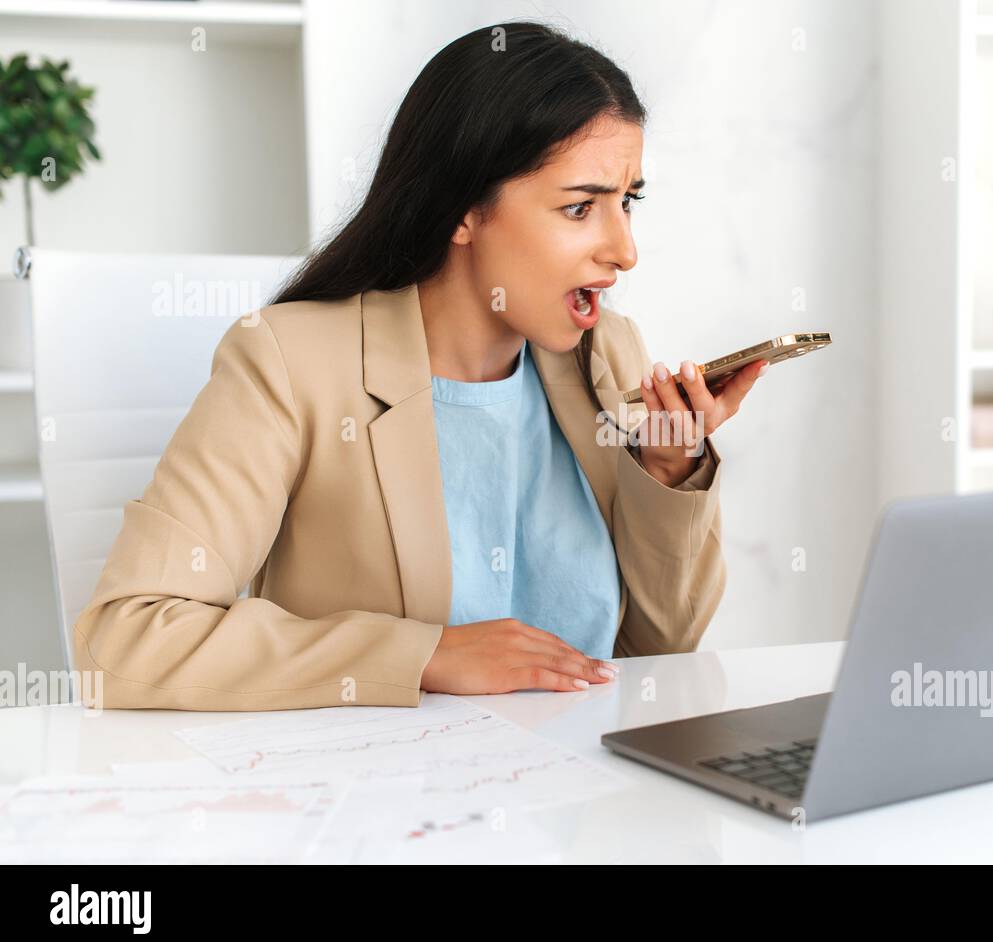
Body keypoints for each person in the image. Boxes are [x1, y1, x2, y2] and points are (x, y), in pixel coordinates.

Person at [73, 21, 764, 711]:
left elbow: (662, 654)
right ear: (462, 212)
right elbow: (125, 640)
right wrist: (423, 654)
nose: (624, 250)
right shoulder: (289, 363)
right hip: (384, 803)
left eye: (628, 202)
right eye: (581, 207)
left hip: (585, 796)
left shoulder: (609, 357)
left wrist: (669, 473)